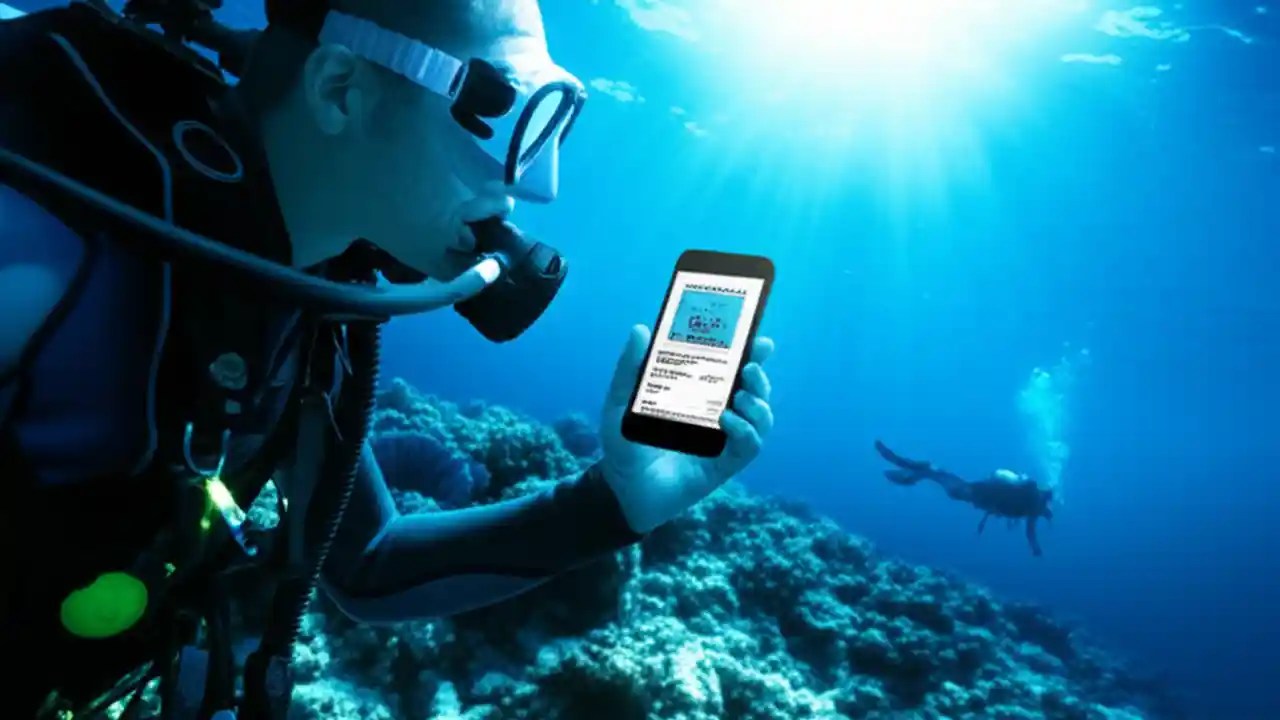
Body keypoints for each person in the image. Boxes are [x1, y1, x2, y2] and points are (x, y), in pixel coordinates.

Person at [0, 1, 777, 718]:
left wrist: (616, 503)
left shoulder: (308, 304)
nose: (536, 186)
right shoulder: (39, 245)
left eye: (549, 129)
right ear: (341, 89)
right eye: (496, 114)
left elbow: (368, 564)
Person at [873, 440, 1053, 557]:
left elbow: (1030, 532)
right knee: (933, 473)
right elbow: (1030, 533)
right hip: (969, 494)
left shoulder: (1030, 500)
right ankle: (906, 475)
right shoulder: (1032, 507)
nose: (1045, 509)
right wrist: (1035, 548)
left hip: (968, 491)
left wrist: (1035, 547)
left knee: (934, 470)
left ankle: (901, 467)